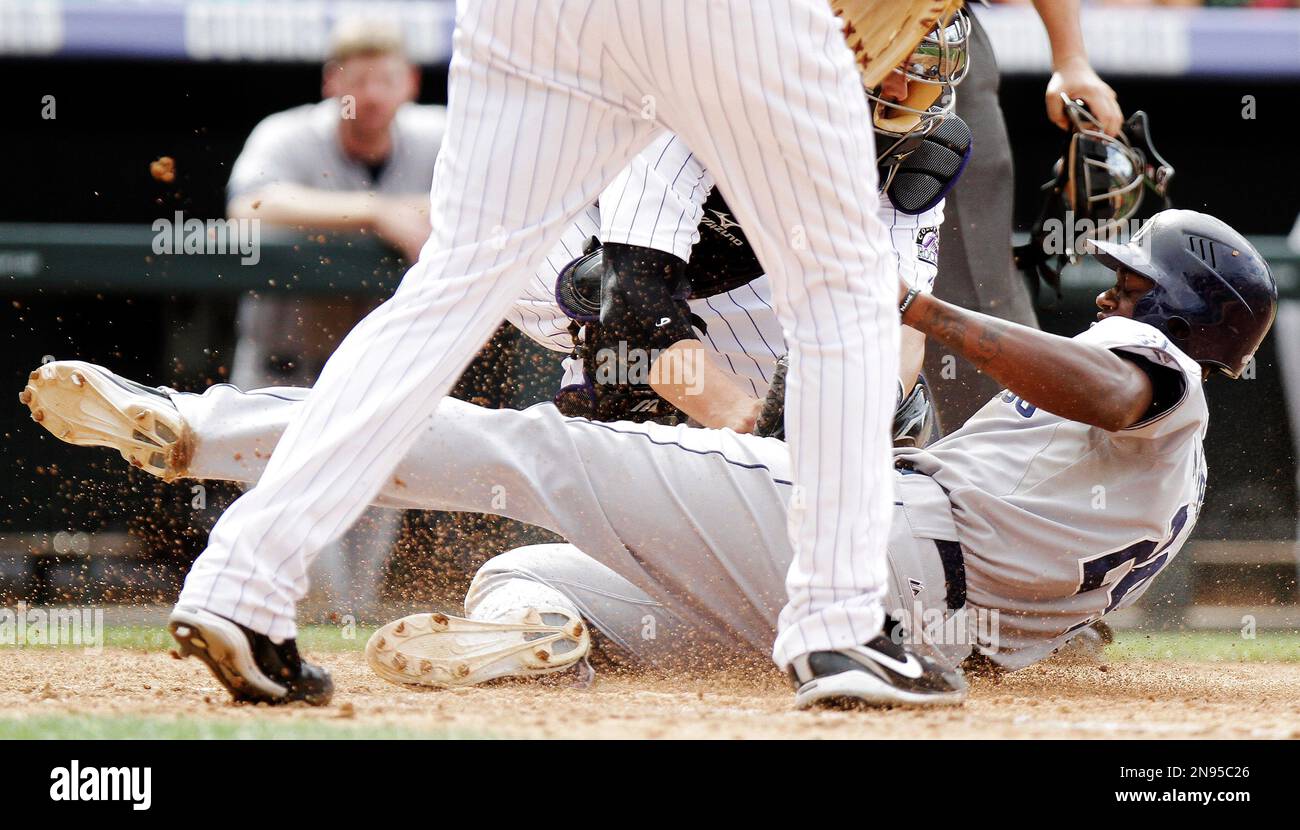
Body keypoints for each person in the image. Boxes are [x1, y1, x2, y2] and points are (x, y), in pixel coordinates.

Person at [23, 210, 1277, 708]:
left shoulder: (1146, 374)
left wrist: (929, 313)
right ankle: (546, 638)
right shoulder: (1176, 491)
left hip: (866, 547)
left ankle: (196, 427)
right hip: (914, 611)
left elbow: (1113, 385)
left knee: (527, 449)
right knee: (540, 570)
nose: (1110, 283)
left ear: (1167, 309)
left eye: (1130, 277)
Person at [145, 0, 970, 709]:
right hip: (695, 71)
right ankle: (839, 626)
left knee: (451, 282)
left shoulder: (907, 153)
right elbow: (638, 310)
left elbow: (639, 296)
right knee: (845, 295)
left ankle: (242, 585)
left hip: (537, 25)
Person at [224, 17, 448, 618]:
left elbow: (496, 201)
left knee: (358, 578)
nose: (371, 95)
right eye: (358, 80)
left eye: (385, 79)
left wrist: (425, 209)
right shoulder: (288, 134)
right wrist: (373, 211)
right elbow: (249, 206)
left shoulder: (438, 136)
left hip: (375, 379)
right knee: (298, 555)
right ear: (333, 83)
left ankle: (342, 678)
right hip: (282, 372)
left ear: (409, 83)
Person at [926, 0, 1124, 427]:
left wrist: (1070, 57)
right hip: (796, 35)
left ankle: (1006, 474)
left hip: (930, 36)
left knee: (976, 290)